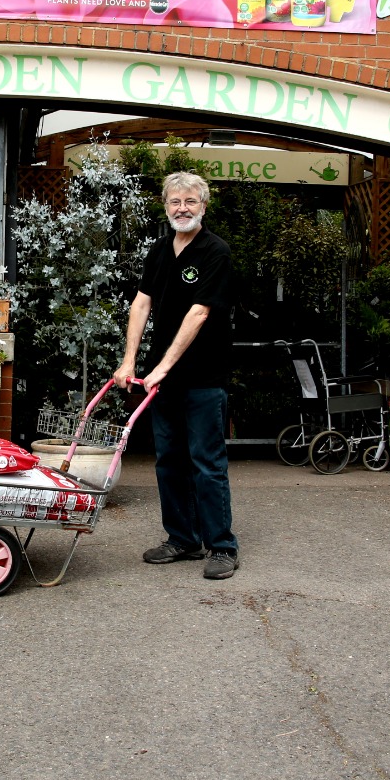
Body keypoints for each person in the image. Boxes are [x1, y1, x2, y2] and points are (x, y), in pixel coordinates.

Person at [113, 172, 237, 580]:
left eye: (189, 201)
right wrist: (130, 361)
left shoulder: (215, 252)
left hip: (203, 377)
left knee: (206, 462)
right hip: (160, 381)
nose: (181, 208)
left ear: (203, 206)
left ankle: (221, 546)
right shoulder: (160, 250)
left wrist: (163, 367)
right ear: (166, 206)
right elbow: (141, 304)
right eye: (174, 201)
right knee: (168, 461)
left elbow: (199, 313)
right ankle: (182, 539)